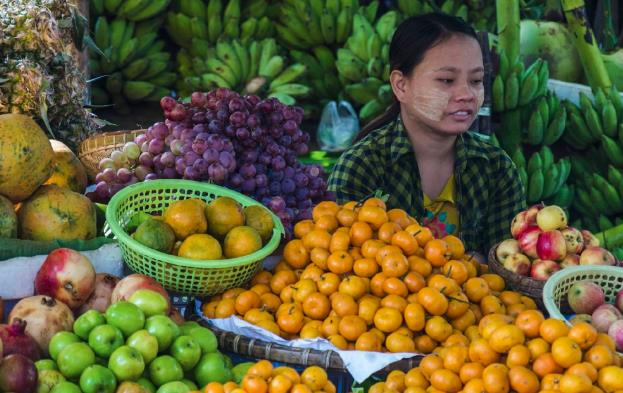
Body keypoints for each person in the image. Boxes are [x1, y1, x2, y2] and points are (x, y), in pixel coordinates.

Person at [327, 13, 526, 257]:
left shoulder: (496, 169)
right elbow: (340, 265)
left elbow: (509, 264)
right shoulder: (360, 167)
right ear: (401, 85)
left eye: (476, 80)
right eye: (446, 80)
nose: (466, 93)